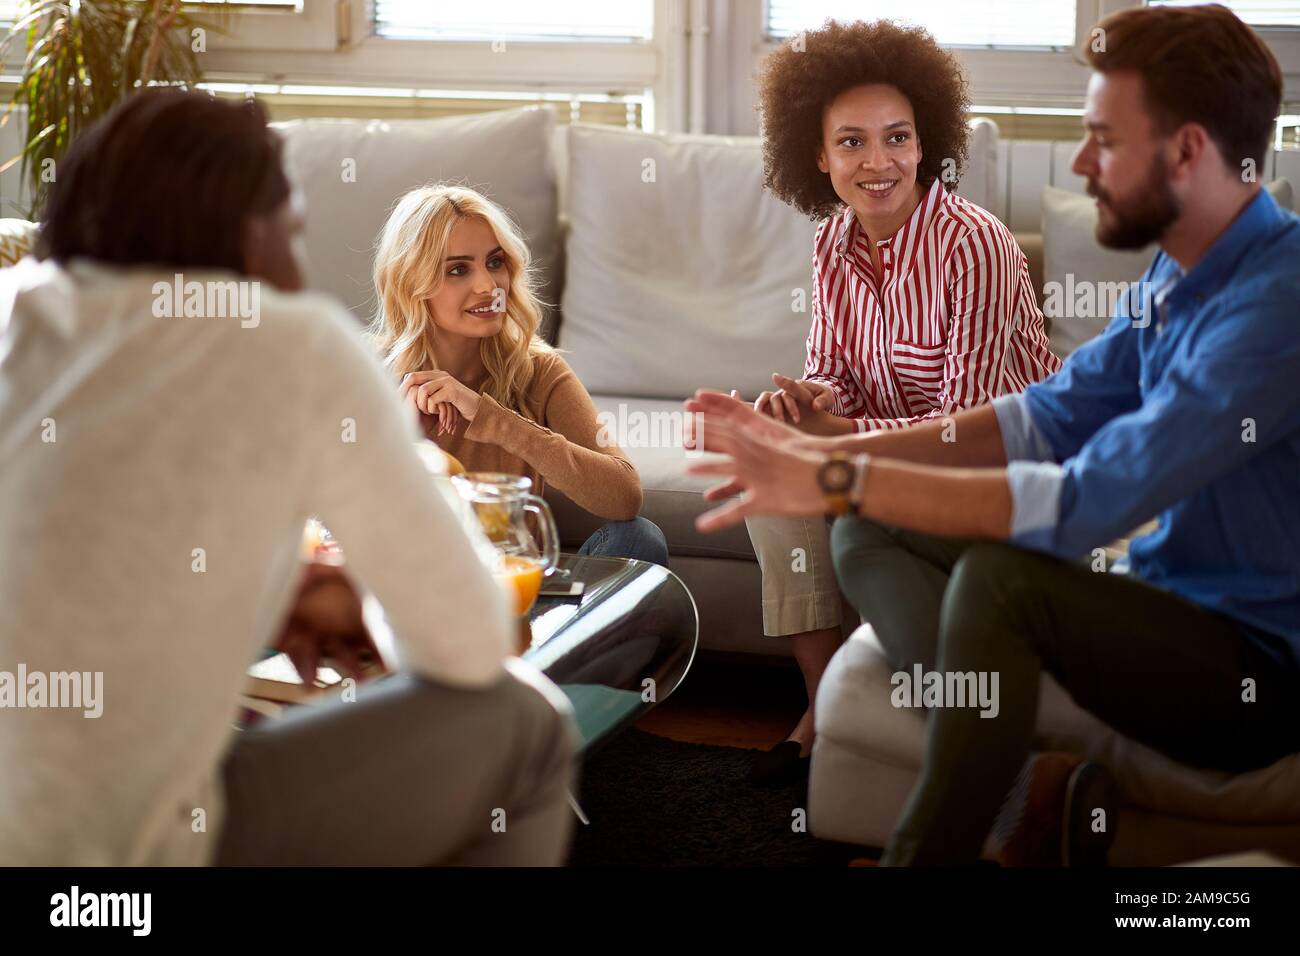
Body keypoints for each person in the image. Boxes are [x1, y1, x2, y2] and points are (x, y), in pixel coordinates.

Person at [686, 3, 1300, 864]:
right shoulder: (1182, 267)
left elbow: (1089, 498)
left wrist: (833, 477)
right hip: (1171, 604)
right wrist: (820, 454)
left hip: (1261, 674)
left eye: (1103, 140)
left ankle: (950, 843)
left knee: (998, 584)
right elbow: (1040, 415)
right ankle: (1005, 801)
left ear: (1189, 150)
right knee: (879, 532)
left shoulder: (1276, 303)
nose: (1082, 164)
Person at [0, 90, 577, 866]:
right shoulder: (287, 342)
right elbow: (468, 645)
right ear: (250, 239)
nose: (299, 267)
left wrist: (269, 588)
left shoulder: (13, 313)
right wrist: (357, 594)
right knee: (526, 721)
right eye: (295, 235)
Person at [741, 19, 1059, 785]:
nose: (876, 162)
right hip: (895, 450)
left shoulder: (975, 246)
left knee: (836, 487)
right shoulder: (831, 243)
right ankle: (822, 710)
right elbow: (835, 372)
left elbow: (967, 428)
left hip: (997, 467)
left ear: (926, 145)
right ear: (818, 156)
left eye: (897, 138)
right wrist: (804, 407)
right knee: (768, 473)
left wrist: (840, 434)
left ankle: (973, 743)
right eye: (850, 142)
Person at [369, 184, 668, 566]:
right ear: (412, 284)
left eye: (495, 263)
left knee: (639, 540)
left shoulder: (538, 369)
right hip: (420, 595)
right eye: (458, 270)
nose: (488, 286)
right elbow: (331, 525)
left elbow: (624, 495)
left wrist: (493, 420)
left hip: (520, 592)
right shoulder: (370, 373)